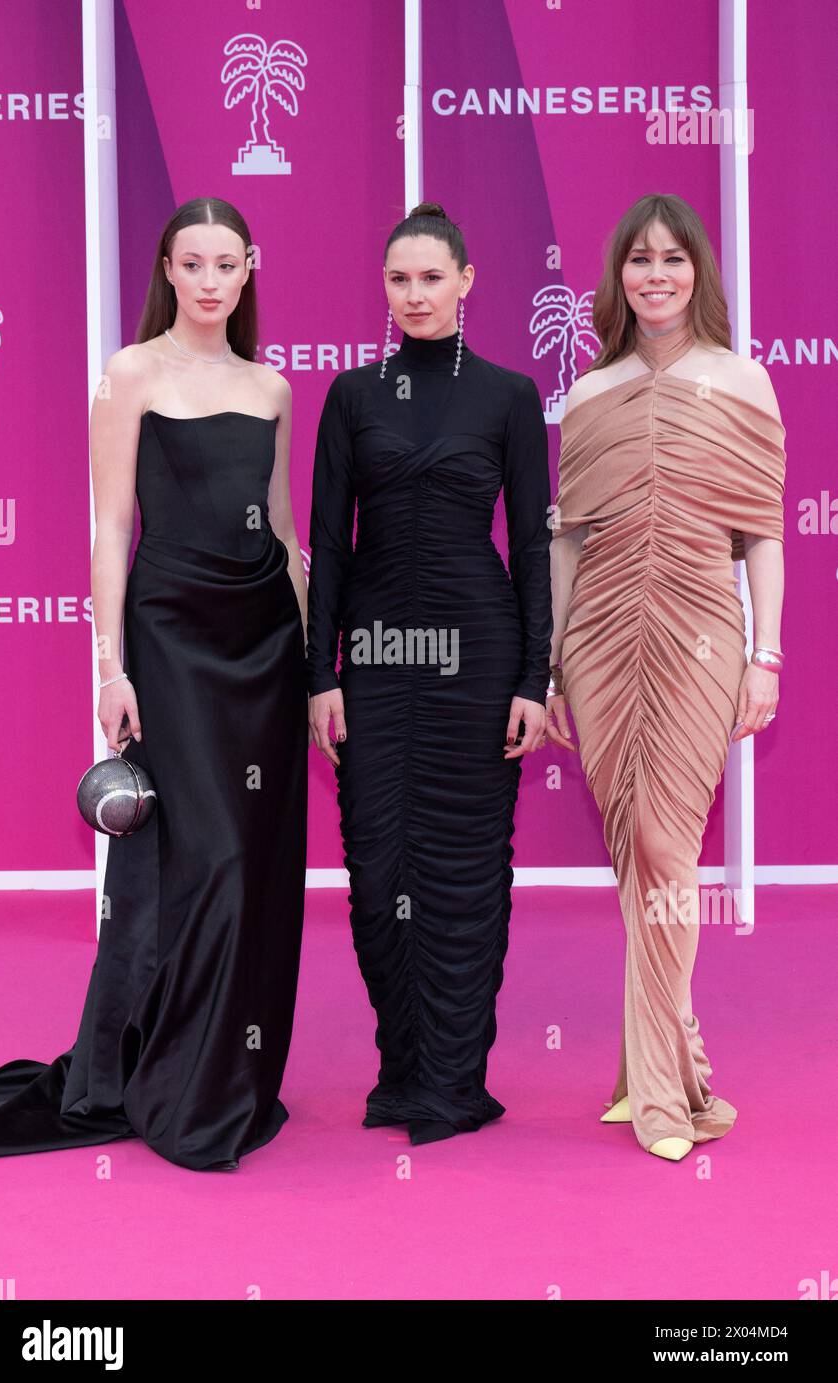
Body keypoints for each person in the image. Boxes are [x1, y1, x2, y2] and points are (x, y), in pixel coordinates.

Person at [0, 197, 308, 1172]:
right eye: (190, 264)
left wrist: (316, 658)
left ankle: (231, 1074)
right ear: (166, 269)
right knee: (201, 861)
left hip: (263, 648)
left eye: (225, 266)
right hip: (171, 636)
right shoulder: (130, 374)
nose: (208, 282)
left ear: (248, 270)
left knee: (254, 863)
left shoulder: (272, 389)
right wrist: (109, 666)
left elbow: (284, 536)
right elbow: (111, 529)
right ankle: (173, 1076)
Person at [547, 193, 786, 1161]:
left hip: (698, 635)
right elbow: (564, 541)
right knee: (630, 852)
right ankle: (673, 1058)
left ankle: (656, 1089)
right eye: (638, 259)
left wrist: (763, 655)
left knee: (664, 839)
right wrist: (555, 661)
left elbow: (761, 533)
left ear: (697, 273)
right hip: (598, 641)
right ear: (618, 278)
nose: (654, 274)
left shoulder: (743, 382)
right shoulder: (588, 394)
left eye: (671, 259)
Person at [307, 202, 551, 1146]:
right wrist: (320, 671)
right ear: (386, 288)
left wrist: (535, 677)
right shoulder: (352, 395)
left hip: (477, 656)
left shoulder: (509, 395)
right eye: (399, 280)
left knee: (464, 869)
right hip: (372, 658)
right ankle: (402, 1066)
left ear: (466, 281)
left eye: (431, 278)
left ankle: (453, 1078)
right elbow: (330, 543)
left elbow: (530, 542)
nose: (415, 295)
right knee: (378, 865)